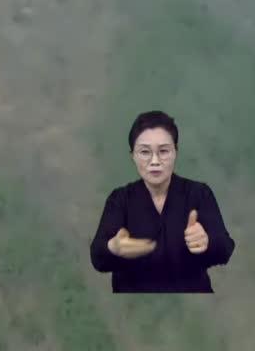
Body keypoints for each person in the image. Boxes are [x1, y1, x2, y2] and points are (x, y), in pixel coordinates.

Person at [89, 110, 235, 292]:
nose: (155, 161)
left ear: (176, 152)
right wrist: (113, 247)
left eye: (164, 151)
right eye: (144, 152)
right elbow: (97, 258)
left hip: (192, 303)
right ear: (132, 155)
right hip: (134, 305)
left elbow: (225, 249)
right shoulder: (119, 199)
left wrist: (207, 241)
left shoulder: (199, 194)